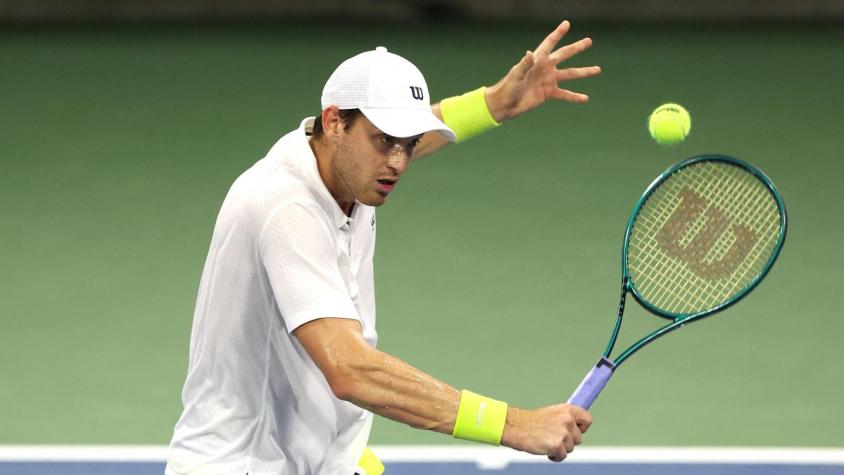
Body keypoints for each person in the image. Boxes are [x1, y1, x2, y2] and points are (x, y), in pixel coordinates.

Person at [166, 20, 602, 475]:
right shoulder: (287, 207)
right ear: (335, 121)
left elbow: (418, 130)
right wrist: (513, 424)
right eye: (384, 141)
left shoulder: (343, 163)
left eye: (408, 145)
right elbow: (350, 368)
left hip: (317, 459)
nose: (398, 162)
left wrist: (495, 102)